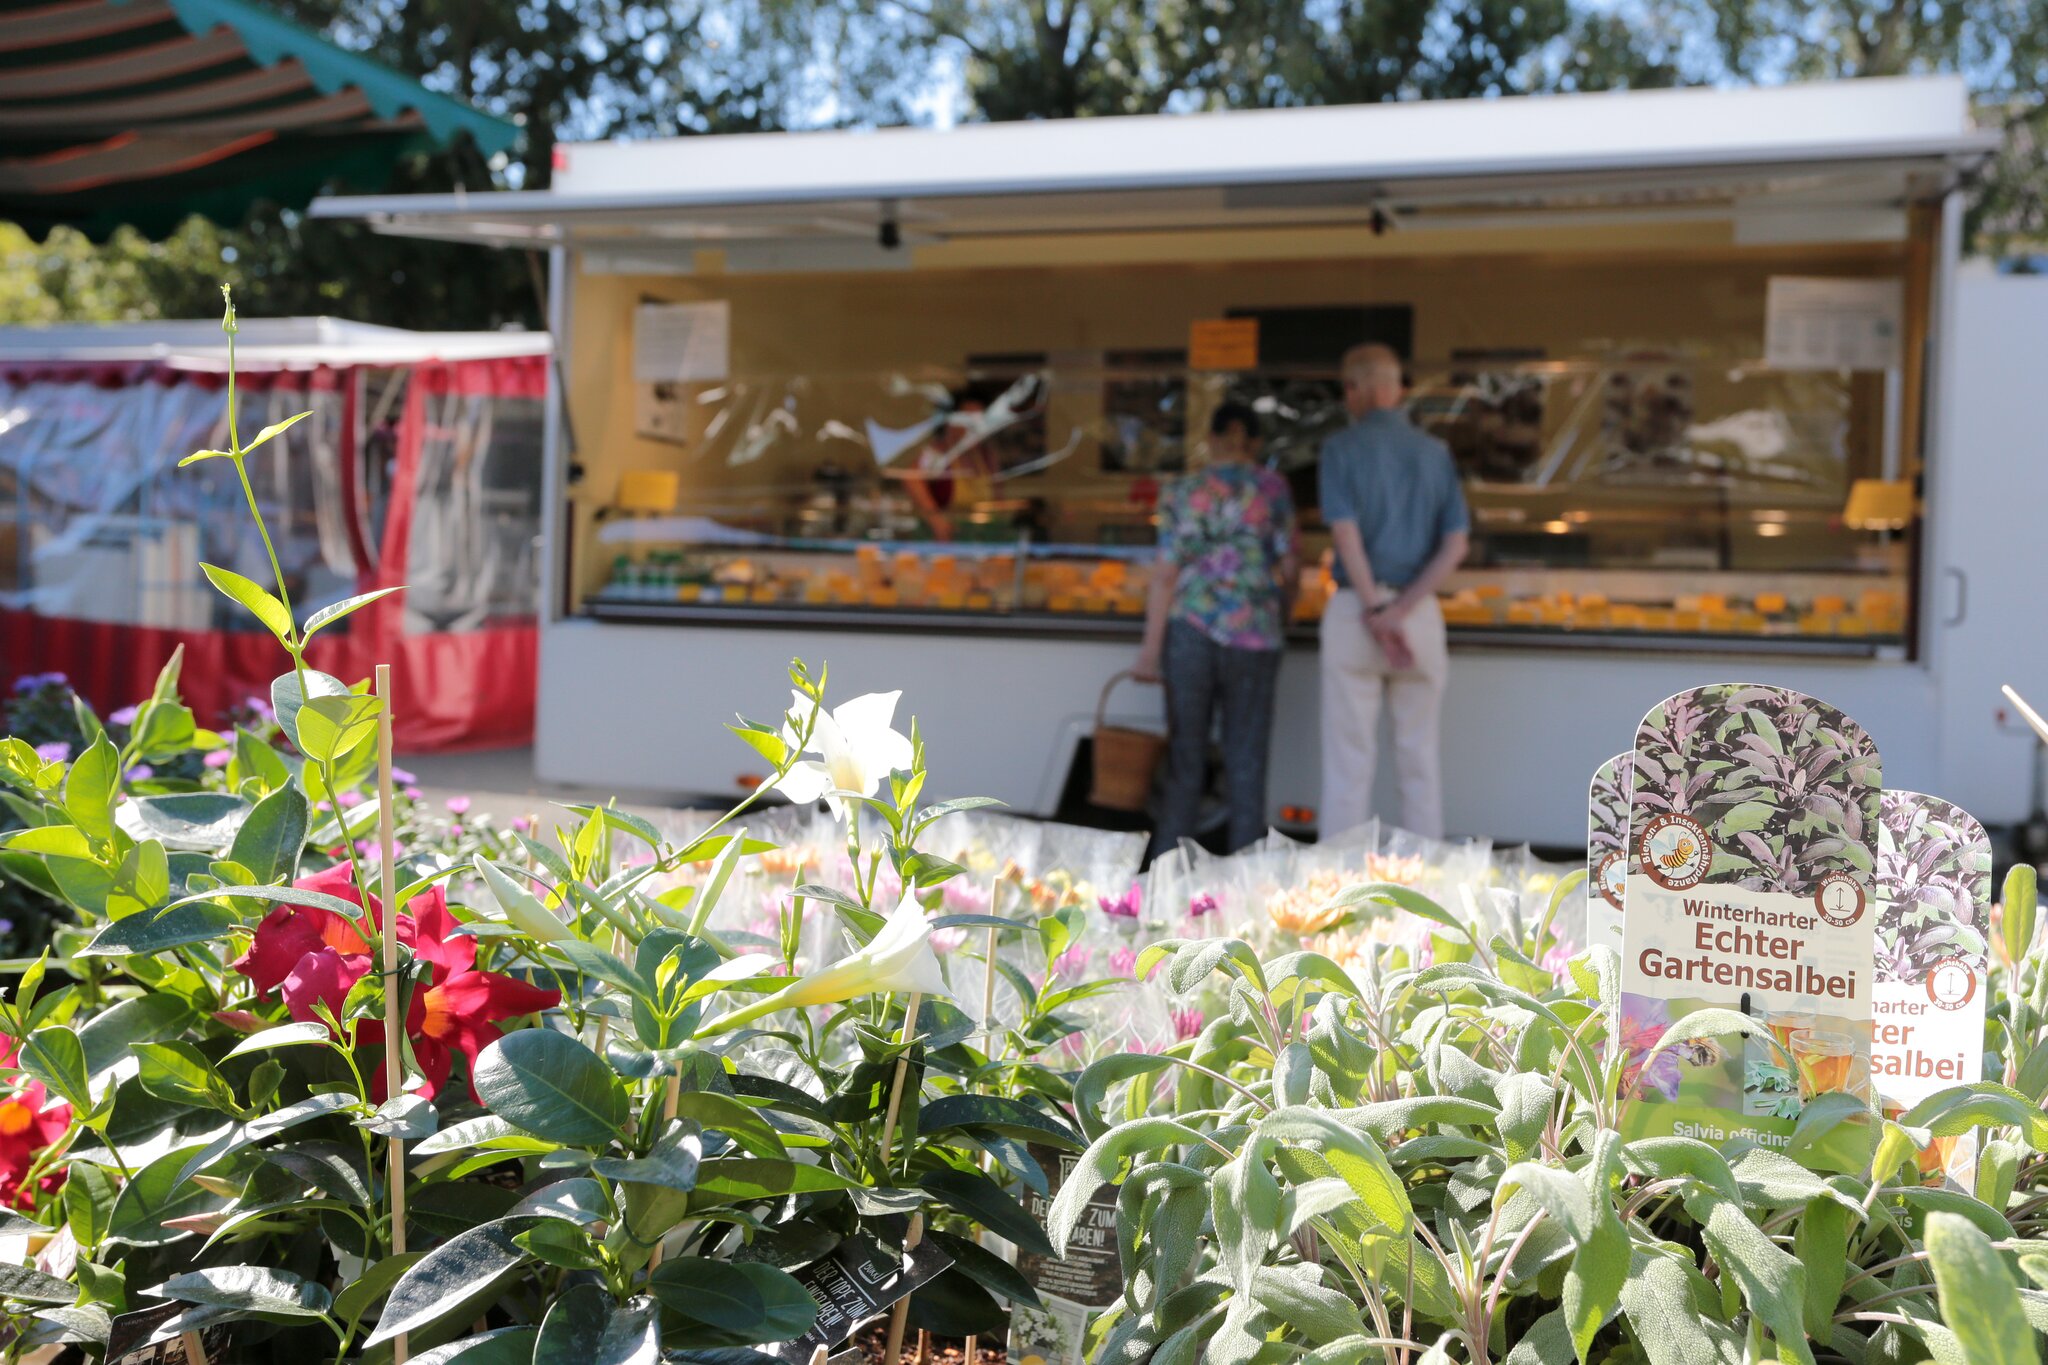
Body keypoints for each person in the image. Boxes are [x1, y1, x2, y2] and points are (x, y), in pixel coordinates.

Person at [1317, 342, 1470, 840]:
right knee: (1420, 761)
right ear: (1398, 388)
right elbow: (1455, 544)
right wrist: (1401, 609)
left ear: (1355, 389)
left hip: (1355, 613)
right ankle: (1430, 890)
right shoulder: (1434, 453)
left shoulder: (1341, 449)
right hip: (1418, 615)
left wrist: (1376, 609)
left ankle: (1337, 891)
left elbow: (1345, 534)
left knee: (1348, 764)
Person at [1136, 402, 1298, 859]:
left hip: (1189, 631)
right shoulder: (1272, 488)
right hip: (1256, 634)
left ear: (1210, 438)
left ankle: (1165, 877)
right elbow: (1290, 566)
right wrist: (1282, 610)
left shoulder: (1184, 490)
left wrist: (1150, 651)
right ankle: (1247, 886)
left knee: (1186, 759)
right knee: (1246, 764)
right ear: (1255, 443)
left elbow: (1165, 573)